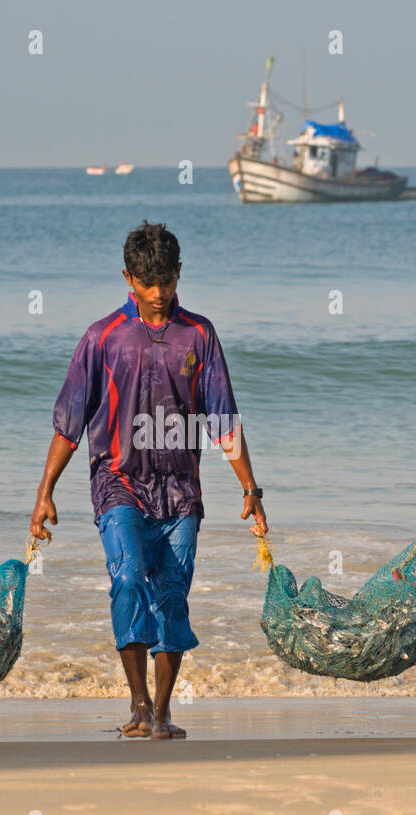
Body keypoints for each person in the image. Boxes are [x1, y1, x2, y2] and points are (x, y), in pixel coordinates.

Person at [30, 221, 268, 740]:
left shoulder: (199, 334)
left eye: (166, 281)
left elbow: (222, 419)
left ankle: (161, 712)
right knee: (129, 580)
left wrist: (250, 489)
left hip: (182, 491)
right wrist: (44, 492)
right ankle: (138, 703)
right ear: (128, 278)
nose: (158, 294)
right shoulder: (103, 337)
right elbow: (70, 420)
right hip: (118, 482)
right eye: (147, 282)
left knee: (173, 595)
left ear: (179, 274)